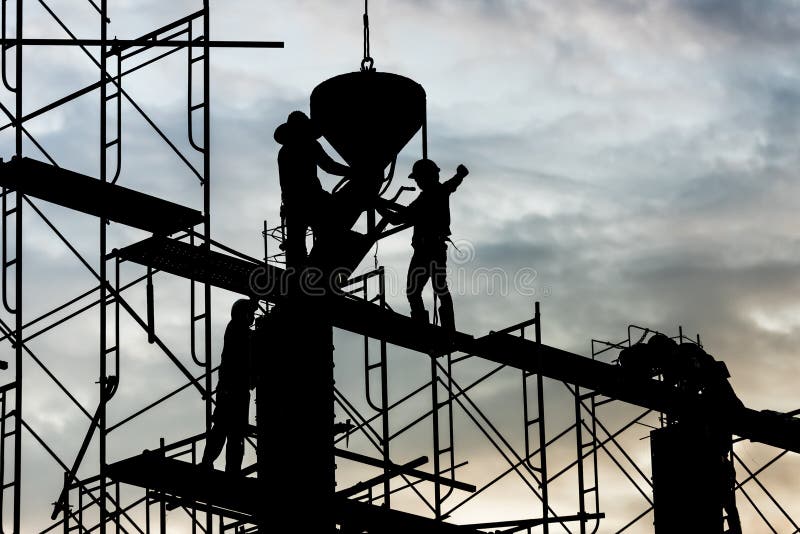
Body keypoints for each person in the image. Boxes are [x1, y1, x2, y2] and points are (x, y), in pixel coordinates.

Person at [380, 158, 468, 330]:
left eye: (419, 178)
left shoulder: (431, 196)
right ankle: (445, 329)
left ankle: (424, 328)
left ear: (426, 177)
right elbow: (453, 183)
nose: (418, 182)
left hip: (428, 250)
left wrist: (377, 206)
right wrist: (460, 174)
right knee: (437, 288)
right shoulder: (436, 193)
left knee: (418, 291)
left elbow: (397, 219)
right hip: (431, 249)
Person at [274, 111, 350, 270]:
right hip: (311, 199)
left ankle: (299, 278)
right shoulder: (310, 144)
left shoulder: (285, 150)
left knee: (296, 247)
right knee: (329, 233)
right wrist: (353, 172)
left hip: (293, 203)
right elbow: (329, 166)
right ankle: (318, 269)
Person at [201, 298, 257, 473]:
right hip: (232, 388)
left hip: (236, 389)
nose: (252, 317)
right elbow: (248, 348)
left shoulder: (239, 330)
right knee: (224, 428)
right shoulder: (236, 328)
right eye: (250, 314)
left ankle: (229, 469)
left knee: (233, 432)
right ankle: (212, 463)